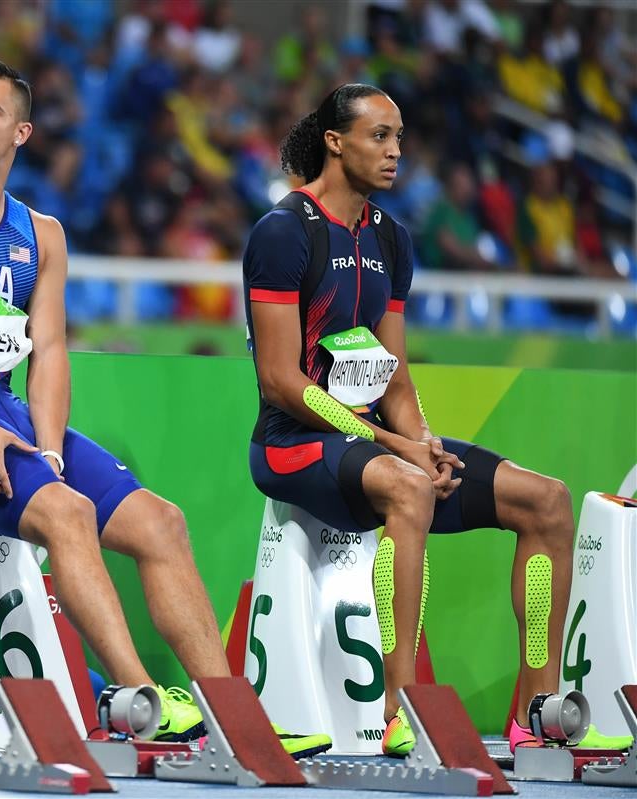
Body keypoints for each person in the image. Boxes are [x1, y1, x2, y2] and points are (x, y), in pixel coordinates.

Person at [0, 56, 330, 755]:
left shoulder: (41, 233)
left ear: (21, 131)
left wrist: (47, 449)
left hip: (7, 415)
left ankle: (233, 717)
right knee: (68, 511)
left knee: (162, 524)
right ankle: (135, 699)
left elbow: (48, 352)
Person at [242, 83, 633, 757]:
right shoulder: (284, 232)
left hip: (375, 445)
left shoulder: (391, 239)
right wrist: (396, 446)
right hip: (293, 447)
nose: (396, 152)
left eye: (399, 138)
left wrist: (420, 437)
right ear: (335, 143)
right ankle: (403, 709)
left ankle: (535, 712)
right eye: (379, 137)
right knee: (409, 484)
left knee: (546, 501)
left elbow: (393, 370)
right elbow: (280, 380)